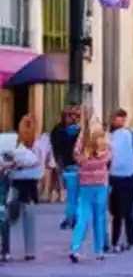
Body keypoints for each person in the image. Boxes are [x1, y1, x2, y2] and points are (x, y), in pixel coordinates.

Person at [68, 112, 112, 263]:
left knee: (83, 216)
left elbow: (76, 155)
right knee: (99, 217)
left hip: (85, 182)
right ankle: (99, 250)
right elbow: (108, 158)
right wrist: (98, 163)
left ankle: (75, 248)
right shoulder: (104, 138)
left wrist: (85, 162)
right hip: (101, 182)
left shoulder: (82, 138)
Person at [2, 116, 42, 262]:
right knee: (26, 217)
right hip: (28, 183)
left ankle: (7, 249)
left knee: (9, 216)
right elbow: (38, 164)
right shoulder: (32, 144)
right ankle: (28, 251)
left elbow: (35, 161)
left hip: (18, 182)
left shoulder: (19, 143)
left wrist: (15, 164)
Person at [107, 108, 133, 252]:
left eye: (120, 118)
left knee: (127, 212)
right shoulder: (109, 136)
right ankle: (118, 241)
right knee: (116, 211)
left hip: (129, 176)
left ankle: (127, 240)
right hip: (114, 177)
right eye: (115, 118)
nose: (117, 121)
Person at [49, 106, 82, 229]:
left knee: (72, 195)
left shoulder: (57, 131)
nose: (74, 118)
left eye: (76, 115)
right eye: (72, 115)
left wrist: (59, 163)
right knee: (75, 195)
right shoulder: (78, 131)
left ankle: (71, 219)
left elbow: (56, 149)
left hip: (68, 166)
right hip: (74, 165)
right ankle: (74, 218)